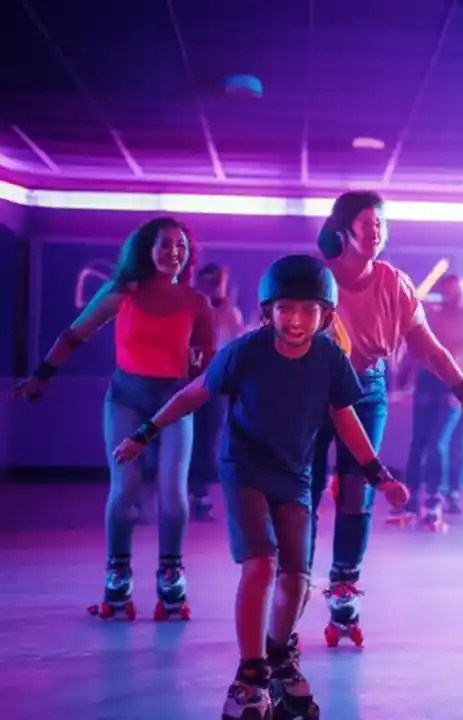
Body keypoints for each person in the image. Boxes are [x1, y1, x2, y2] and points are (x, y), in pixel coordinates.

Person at [112, 254, 409, 720]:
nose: (297, 319)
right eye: (286, 308)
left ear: (326, 316)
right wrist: (145, 432)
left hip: (295, 474)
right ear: (268, 311)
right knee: (261, 564)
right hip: (245, 468)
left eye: (310, 310)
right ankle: (250, 673)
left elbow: (345, 417)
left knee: (298, 577)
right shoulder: (245, 352)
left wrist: (378, 473)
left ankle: (278, 654)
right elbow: (195, 393)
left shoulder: (330, 356)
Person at [310, 191, 463, 645]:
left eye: (381, 223)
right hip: (315, 390)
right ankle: (297, 573)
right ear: (344, 230)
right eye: (365, 223)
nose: (375, 230)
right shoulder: (320, 279)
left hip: (367, 389)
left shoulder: (394, 284)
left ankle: (343, 583)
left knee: (358, 484)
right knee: (309, 482)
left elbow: (430, 348)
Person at [14, 217, 213, 621]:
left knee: (174, 492)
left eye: (180, 246)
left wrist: (202, 374)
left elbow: (206, 362)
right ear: (146, 249)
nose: (173, 253)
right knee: (125, 489)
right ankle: (117, 577)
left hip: (173, 402)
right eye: (164, 245)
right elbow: (75, 334)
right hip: (125, 399)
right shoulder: (123, 293)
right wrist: (42, 376)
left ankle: (171, 577)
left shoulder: (197, 303)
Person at [400, 273, 463, 526]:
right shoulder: (430, 315)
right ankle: (410, 496)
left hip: (461, 384)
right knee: (419, 441)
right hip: (429, 382)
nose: (456, 297)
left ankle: (443, 493)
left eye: (459, 291)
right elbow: (414, 348)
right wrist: (404, 380)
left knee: (446, 441)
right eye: (450, 291)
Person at [190, 262, 246, 520]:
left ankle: (199, 495)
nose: (212, 288)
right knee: (182, 440)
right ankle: (176, 494)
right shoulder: (189, 310)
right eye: (207, 282)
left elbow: (235, 351)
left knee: (207, 442)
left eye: (216, 282)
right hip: (185, 383)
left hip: (215, 389)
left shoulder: (230, 315)